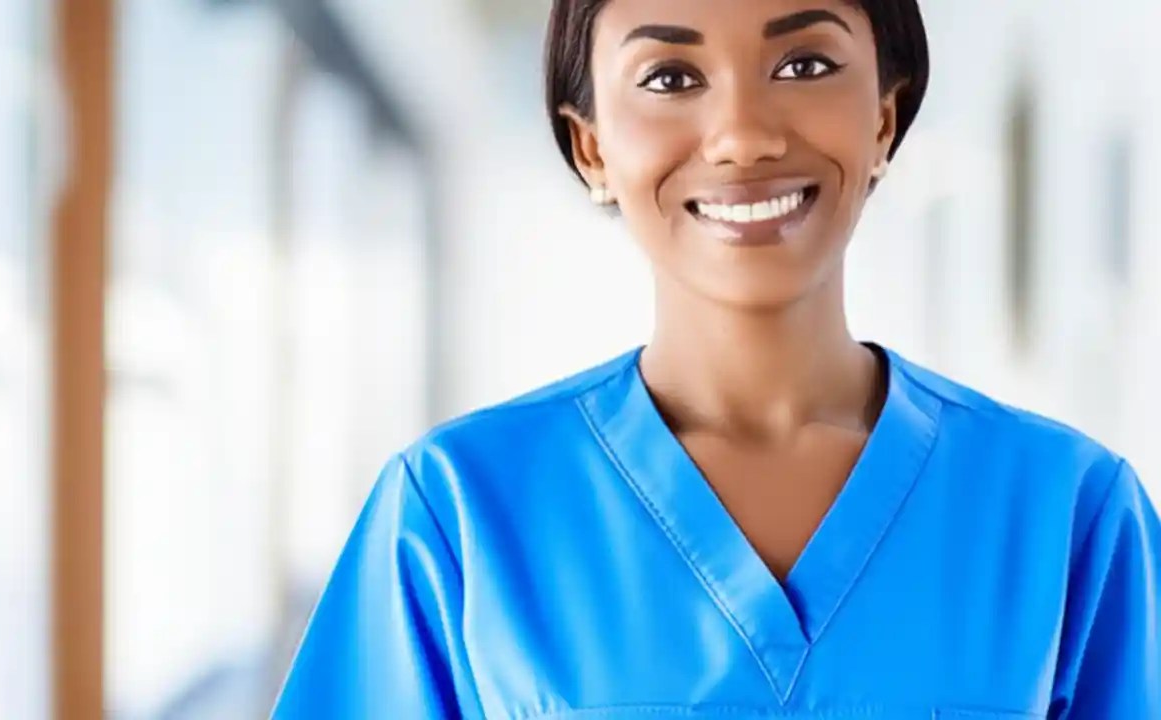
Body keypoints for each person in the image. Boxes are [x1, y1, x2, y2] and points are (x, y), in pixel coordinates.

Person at [272, 0, 1161, 717]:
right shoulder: (456, 514)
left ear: (884, 118)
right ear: (592, 148)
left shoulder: (1070, 513)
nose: (743, 135)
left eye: (804, 65)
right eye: (670, 77)